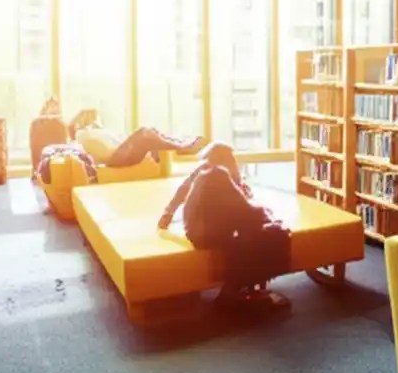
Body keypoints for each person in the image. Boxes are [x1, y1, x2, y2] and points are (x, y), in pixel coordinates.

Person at [157, 143, 292, 312]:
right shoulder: (221, 176)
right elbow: (248, 211)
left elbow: (183, 190)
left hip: (194, 230)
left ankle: (239, 287)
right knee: (270, 233)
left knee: (250, 226)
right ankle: (237, 288)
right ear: (226, 159)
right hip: (210, 235)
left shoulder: (204, 172)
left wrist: (167, 215)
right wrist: (271, 219)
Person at [68, 109, 206, 167]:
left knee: (149, 132)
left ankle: (181, 144)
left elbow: (116, 140)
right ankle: (182, 146)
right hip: (114, 159)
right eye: (94, 118)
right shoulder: (82, 134)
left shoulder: (98, 132)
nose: (97, 121)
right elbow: (103, 148)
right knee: (144, 132)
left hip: (118, 153)